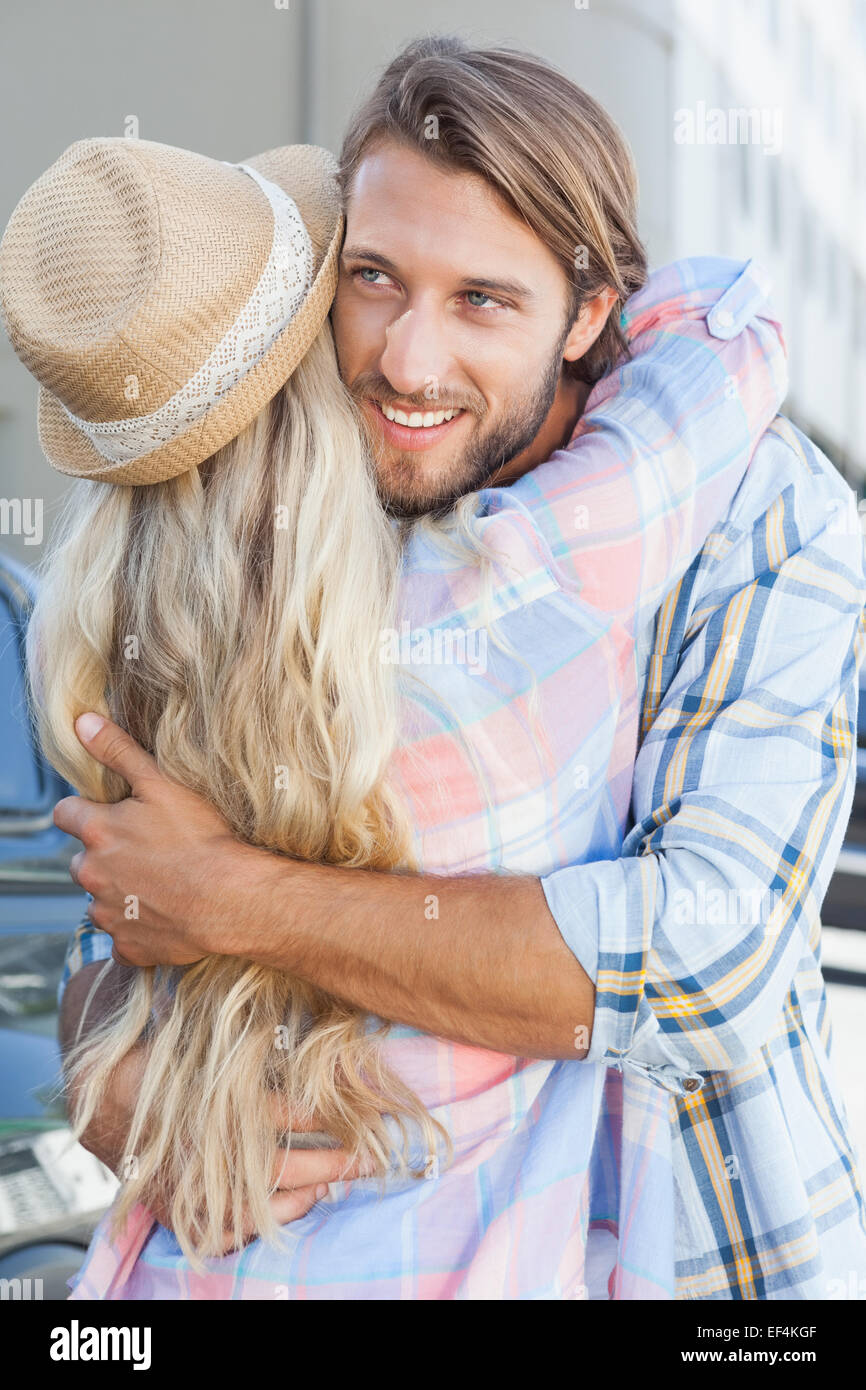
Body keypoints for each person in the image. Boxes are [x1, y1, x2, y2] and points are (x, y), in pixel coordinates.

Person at [16, 36, 866, 1300]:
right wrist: (112, 1075)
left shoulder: (761, 507)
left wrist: (240, 896)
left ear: (588, 314)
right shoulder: (296, 473)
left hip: (689, 1260)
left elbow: (707, 961)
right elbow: (126, 904)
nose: (408, 365)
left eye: (481, 300)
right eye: (374, 279)